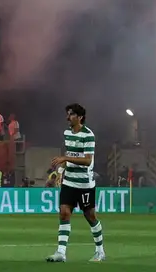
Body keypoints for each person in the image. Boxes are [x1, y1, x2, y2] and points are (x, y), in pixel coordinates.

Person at [45, 103, 105, 263]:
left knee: (90, 216)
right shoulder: (67, 133)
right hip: (69, 182)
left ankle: (100, 251)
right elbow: (69, 154)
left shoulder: (88, 135)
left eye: (71, 114)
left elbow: (87, 160)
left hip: (84, 184)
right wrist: (59, 172)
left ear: (80, 117)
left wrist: (65, 158)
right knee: (64, 213)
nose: (67, 117)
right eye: (67, 114)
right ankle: (61, 253)